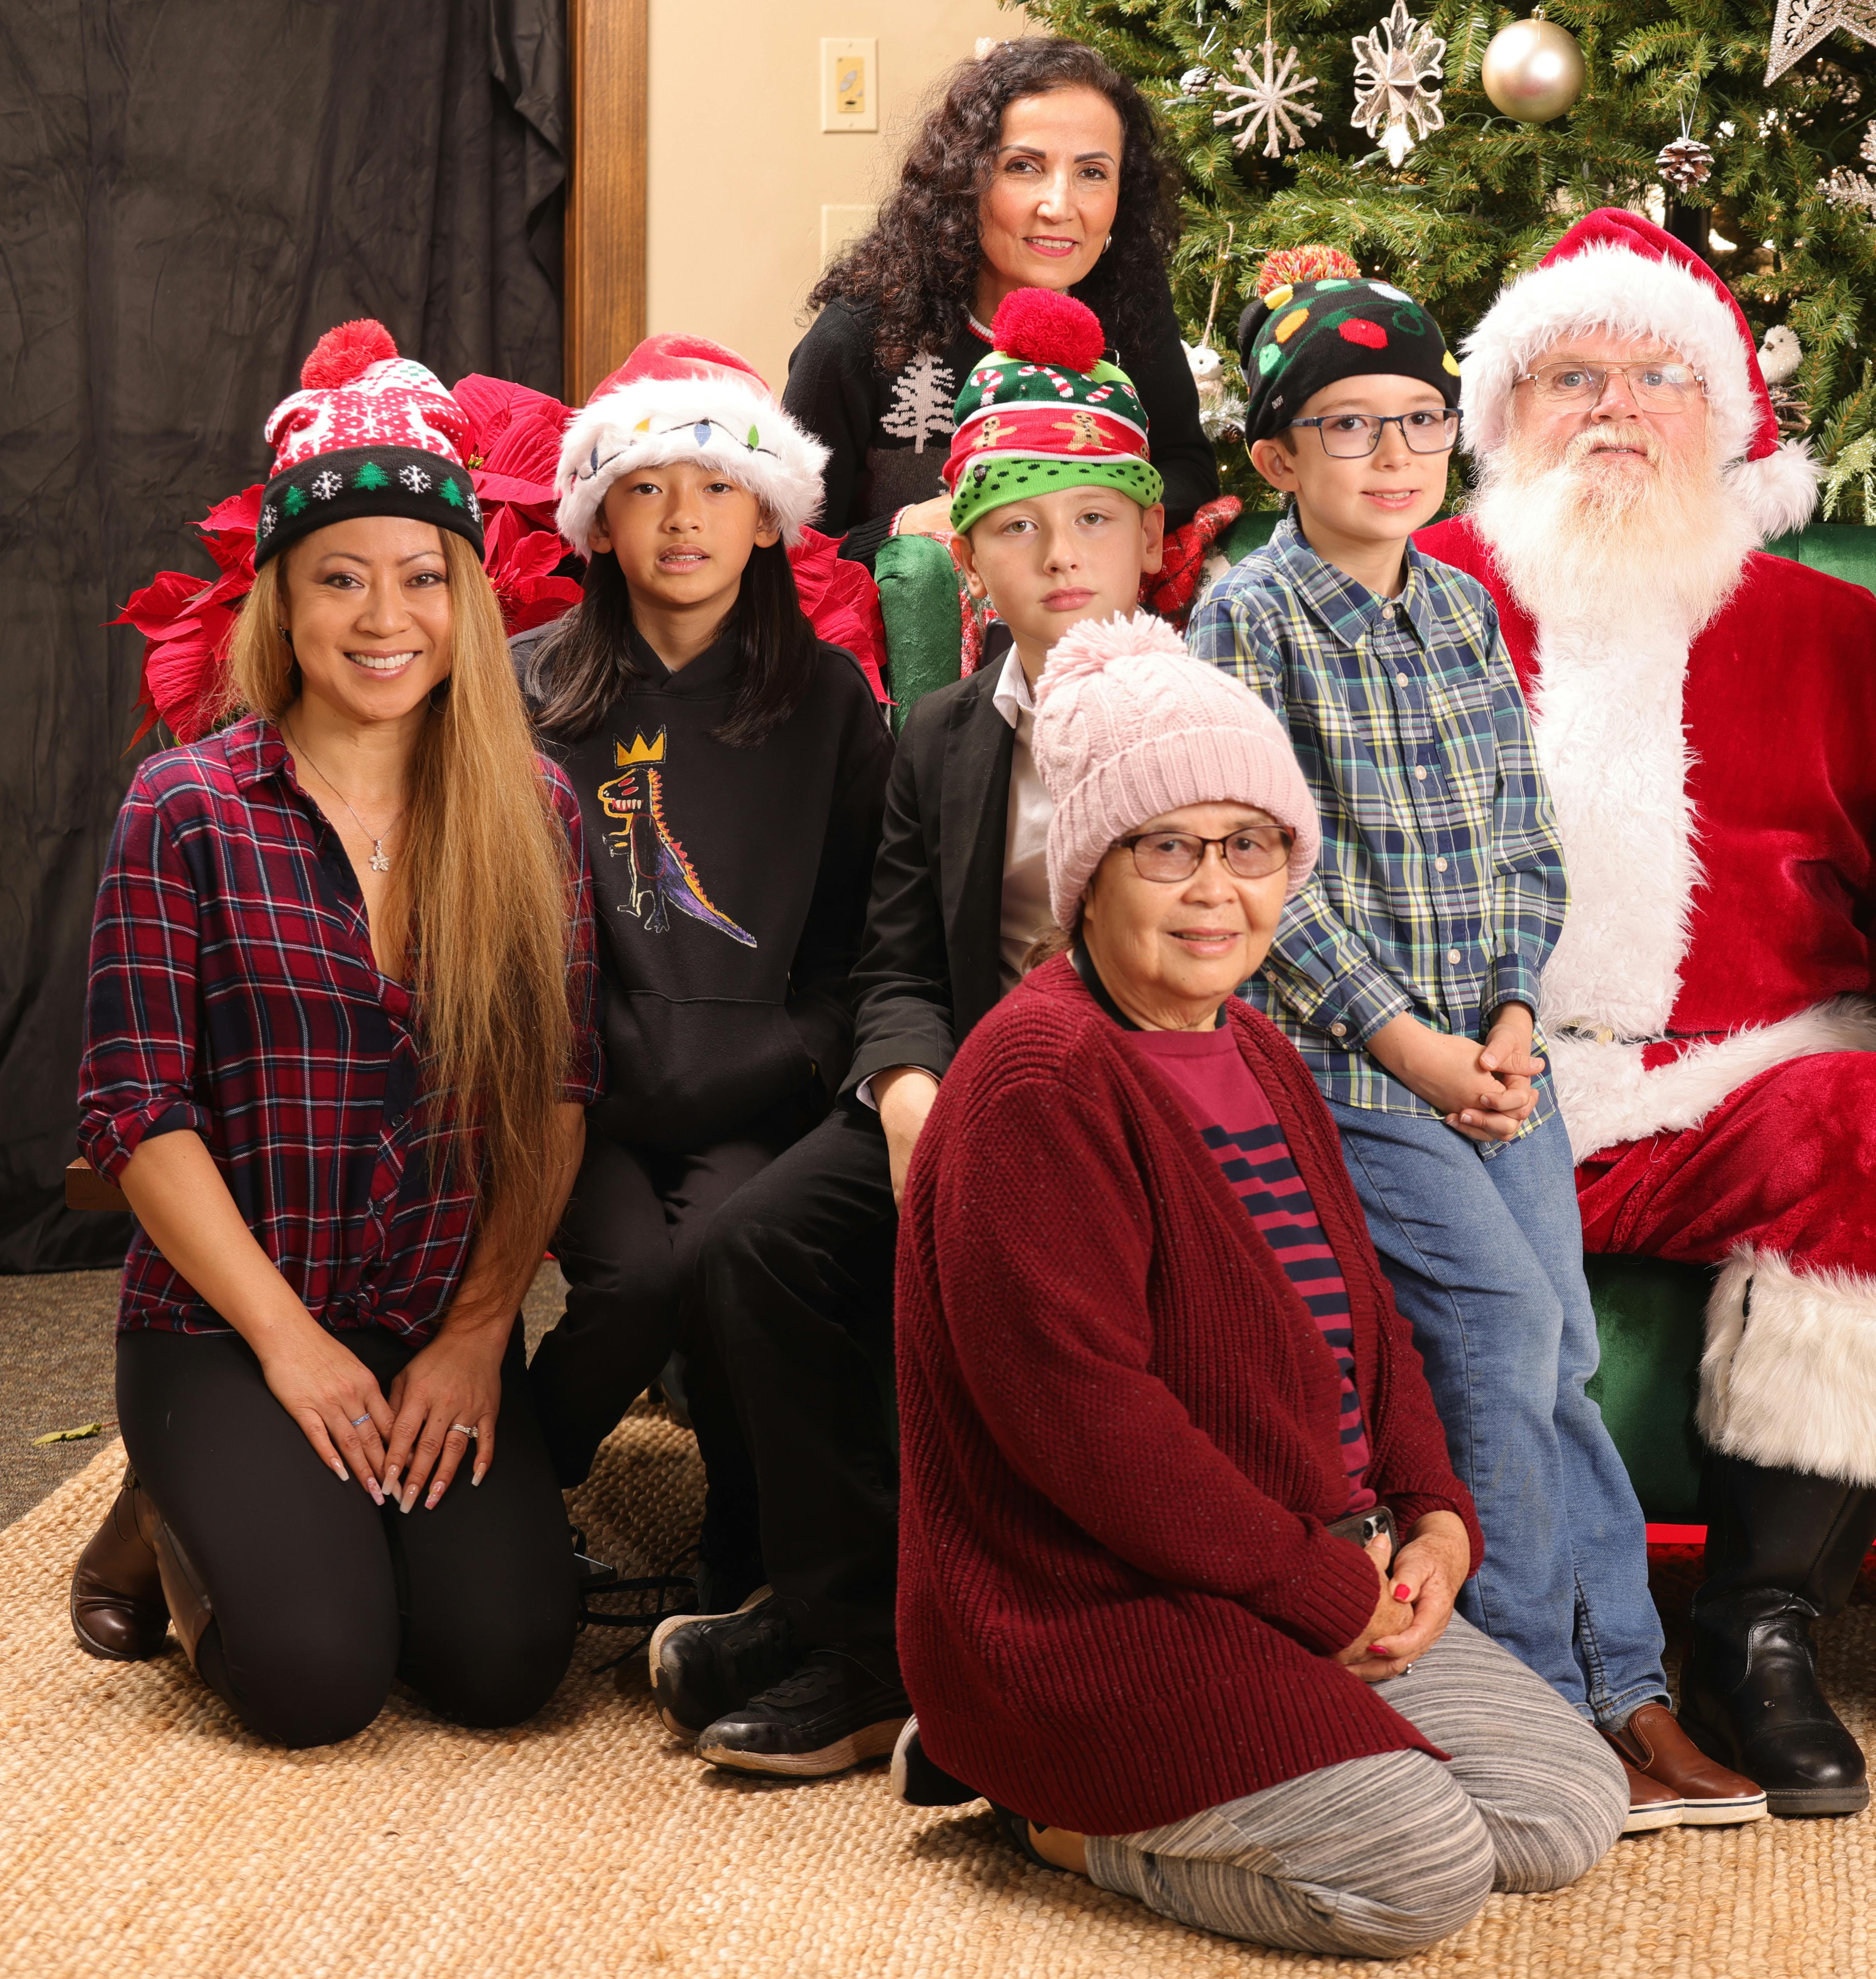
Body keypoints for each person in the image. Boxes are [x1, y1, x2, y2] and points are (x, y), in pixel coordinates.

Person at [888, 615, 1627, 1958]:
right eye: (1167, 847)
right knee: (1422, 1873)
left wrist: (1434, 1514)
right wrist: (1320, 1594)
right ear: (1091, 876)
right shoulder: (1039, 1079)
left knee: (1563, 1806)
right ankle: (1043, 1801)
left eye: (1253, 844)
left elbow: (1370, 1328)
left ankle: (1219, 1768)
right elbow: (1089, 1428)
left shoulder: (1265, 1052)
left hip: (1297, 1556)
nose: (1215, 889)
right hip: (1093, 1600)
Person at [1415, 208, 1876, 1818]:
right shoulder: (1402, 599)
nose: (1615, 404)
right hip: (1450, 1085)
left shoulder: (1819, 629)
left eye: (1661, 374)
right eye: (1572, 372)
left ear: (1727, 422)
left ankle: (1765, 1626)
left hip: (1736, 1090)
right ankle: (1454, 1642)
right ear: (1497, 417)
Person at [1191, 250, 1762, 1833]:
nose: (1390, 458)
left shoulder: (1453, 603)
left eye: (1419, 424)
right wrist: (1413, 1045)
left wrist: (1509, 1013)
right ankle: (1527, 1695)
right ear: (1275, 456)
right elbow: (1261, 881)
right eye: (1349, 427)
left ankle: (1622, 1679)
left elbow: (1525, 842)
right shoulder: (1248, 620)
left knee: (1563, 1350)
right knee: (1501, 1339)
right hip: (1349, 1074)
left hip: (1488, 1065)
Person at [660, 290, 1181, 1778]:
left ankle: (975, 1634)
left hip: (1125, 1098)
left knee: (1013, 1279)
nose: (1060, 554)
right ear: (970, 557)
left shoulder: (1195, 707)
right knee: (754, 1245)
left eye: (1093, 520)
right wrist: (903, 1092)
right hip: (951, 1083)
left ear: (1148, 540)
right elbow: (896, 956)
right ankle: (849, 1621)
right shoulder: (941, 732)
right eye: (1020, 527)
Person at [69, 322, 596, 1746]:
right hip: (231, 1322)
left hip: (428, 1311)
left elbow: (555, 1096)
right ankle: (168, 1512)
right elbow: (139, 1115)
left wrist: (481, 1331)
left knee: (504, 1665)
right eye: (341, 578)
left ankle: (298, 1503)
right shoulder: (187, 805)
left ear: (467, 599)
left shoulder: (533, 809)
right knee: (315, 1679)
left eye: (422, 576)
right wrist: (293, 1348)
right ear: (283, 603)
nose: (385, 615)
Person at [515, 333, 892, 1624]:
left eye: (718, 485)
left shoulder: (834, 703)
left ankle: (751, 1536)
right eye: (645, 487)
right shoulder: (524, 689)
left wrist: (783, 1056)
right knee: (629, 1283)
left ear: (772, 518)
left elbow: (858, 942)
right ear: (598, 524)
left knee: (726, 1261)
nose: (683, 517)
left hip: (752, 1084)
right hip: (581, 1090)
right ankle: (507, 1497)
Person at [786, 37, 1218, 569]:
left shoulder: (1131, 309)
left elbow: (1188, 470)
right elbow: (790, 552)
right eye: (1024, 167)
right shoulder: (856, 337)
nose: (1060, 207)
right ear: (964, 179)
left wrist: (1087, 507)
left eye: (1093, 173)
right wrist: (910, 528)